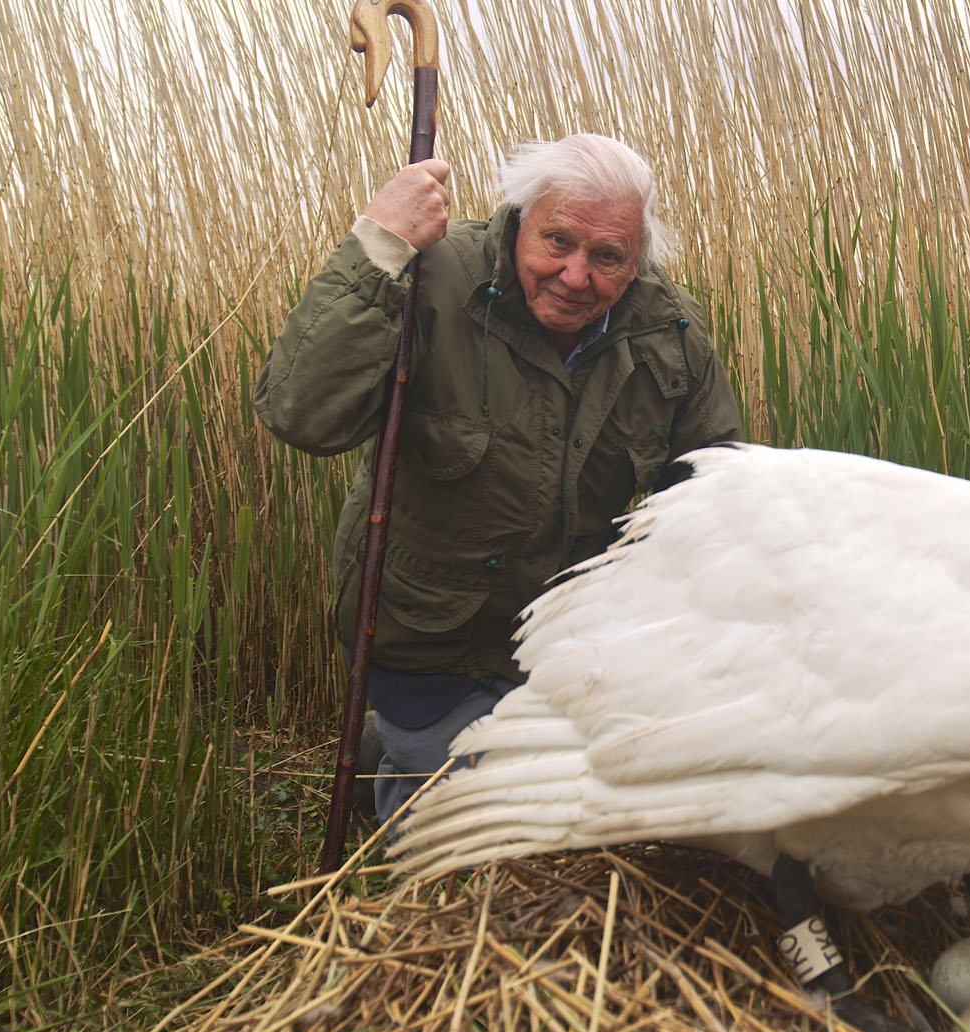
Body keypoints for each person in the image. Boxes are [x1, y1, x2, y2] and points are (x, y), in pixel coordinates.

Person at [255, 134, 744, 824]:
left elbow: (716, 492)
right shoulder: (432, 278)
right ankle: (407, 762)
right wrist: (378, 247)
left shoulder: (669, 331)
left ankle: (396, 758)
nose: (577, 276)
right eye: (559, 242)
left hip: (563, 649)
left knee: (607, 812)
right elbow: (300, 413)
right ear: (520, 218)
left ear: (637, 262)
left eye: (608, 258)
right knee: (480, 831)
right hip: (426, 640)